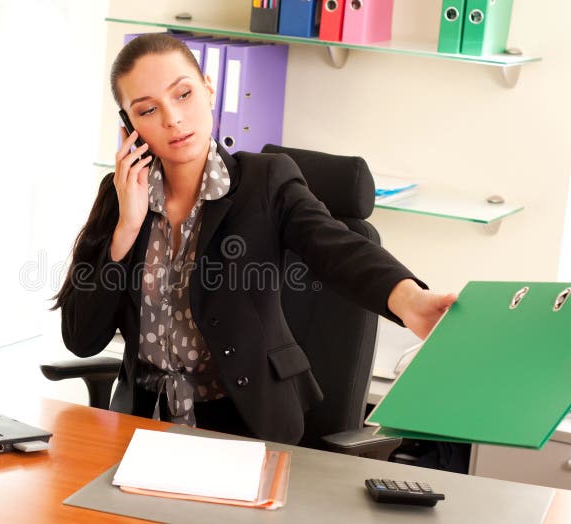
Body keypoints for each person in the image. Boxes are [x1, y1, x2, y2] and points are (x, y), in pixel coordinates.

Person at [52, 33, 456, 445]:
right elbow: (81, 339)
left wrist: (409, 299)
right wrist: (126, 228)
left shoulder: (264, 180)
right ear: (129, 127)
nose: (172, 118)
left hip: (242, 425)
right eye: (148, 110)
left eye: (183, 94)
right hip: (142, 424)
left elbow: (337, 248)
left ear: (208, 89)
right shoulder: (119, 194)